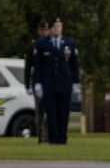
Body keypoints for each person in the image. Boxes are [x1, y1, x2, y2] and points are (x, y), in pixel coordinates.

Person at [32, 17, 80, 145]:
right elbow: (38, 65)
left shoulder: (69, 42)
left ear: (61, 27)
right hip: (49, 84)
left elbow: (75, 64)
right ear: (51, 28)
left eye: (58, 26)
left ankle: (62, 138)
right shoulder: (42, 43)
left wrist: (76, 81)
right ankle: (53, 138)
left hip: (65, 83)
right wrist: (37, 83)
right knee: (51, 113)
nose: (56, 28)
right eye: (54, 26)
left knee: (64, 113)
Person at [24, 21, 49, 143]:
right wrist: (27, 84)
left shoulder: (52, 44)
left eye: (46, 30)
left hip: (50, 83)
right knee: (39, 111)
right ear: (39, 31)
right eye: (42, 30)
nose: (44, 32)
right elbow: (28, 67)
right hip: (37, 82)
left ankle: (50, 134)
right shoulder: (33, 46)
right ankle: (41, 135)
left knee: (51, 111)